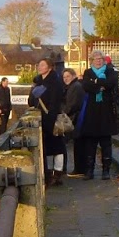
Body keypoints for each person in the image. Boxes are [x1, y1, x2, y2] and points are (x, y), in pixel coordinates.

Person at [77, 49, 119, 179]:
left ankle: (106, 170)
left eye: (100, 59)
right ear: (91, 61)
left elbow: (110, 84)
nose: (98, 61)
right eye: (95, 59)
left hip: (106, 111)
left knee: (106, 143)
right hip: (92, 112)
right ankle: (89, 170)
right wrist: (100, 86)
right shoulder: (87, 72)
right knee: (90, 143)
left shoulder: (110, 71)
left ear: (103, 60)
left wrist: (95, 82)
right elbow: (86, 85)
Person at [29, 56, 66, 186]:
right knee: (43, 147)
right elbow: (31, 100)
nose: (40, 67)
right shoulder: (38, 82)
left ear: (49, 67)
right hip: (40, 118)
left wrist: (50, 118)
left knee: (56, 146)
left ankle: (57, 173)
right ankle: (45, 173)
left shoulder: (55, 82)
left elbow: (55, 102)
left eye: (43, 65)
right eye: (39, 64)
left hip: (51, 118)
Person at [61, 68, 86, 177]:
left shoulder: (75, 87)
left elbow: (72, 104)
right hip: (76, 118)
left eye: (68, 76)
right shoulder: (74, 86)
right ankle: (79, 168)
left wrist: (64, 113)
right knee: (77, 144)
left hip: (76, 119)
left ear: (73, 76)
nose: (66, 79)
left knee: (79, 144)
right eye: (64, 77)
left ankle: (80, 169)